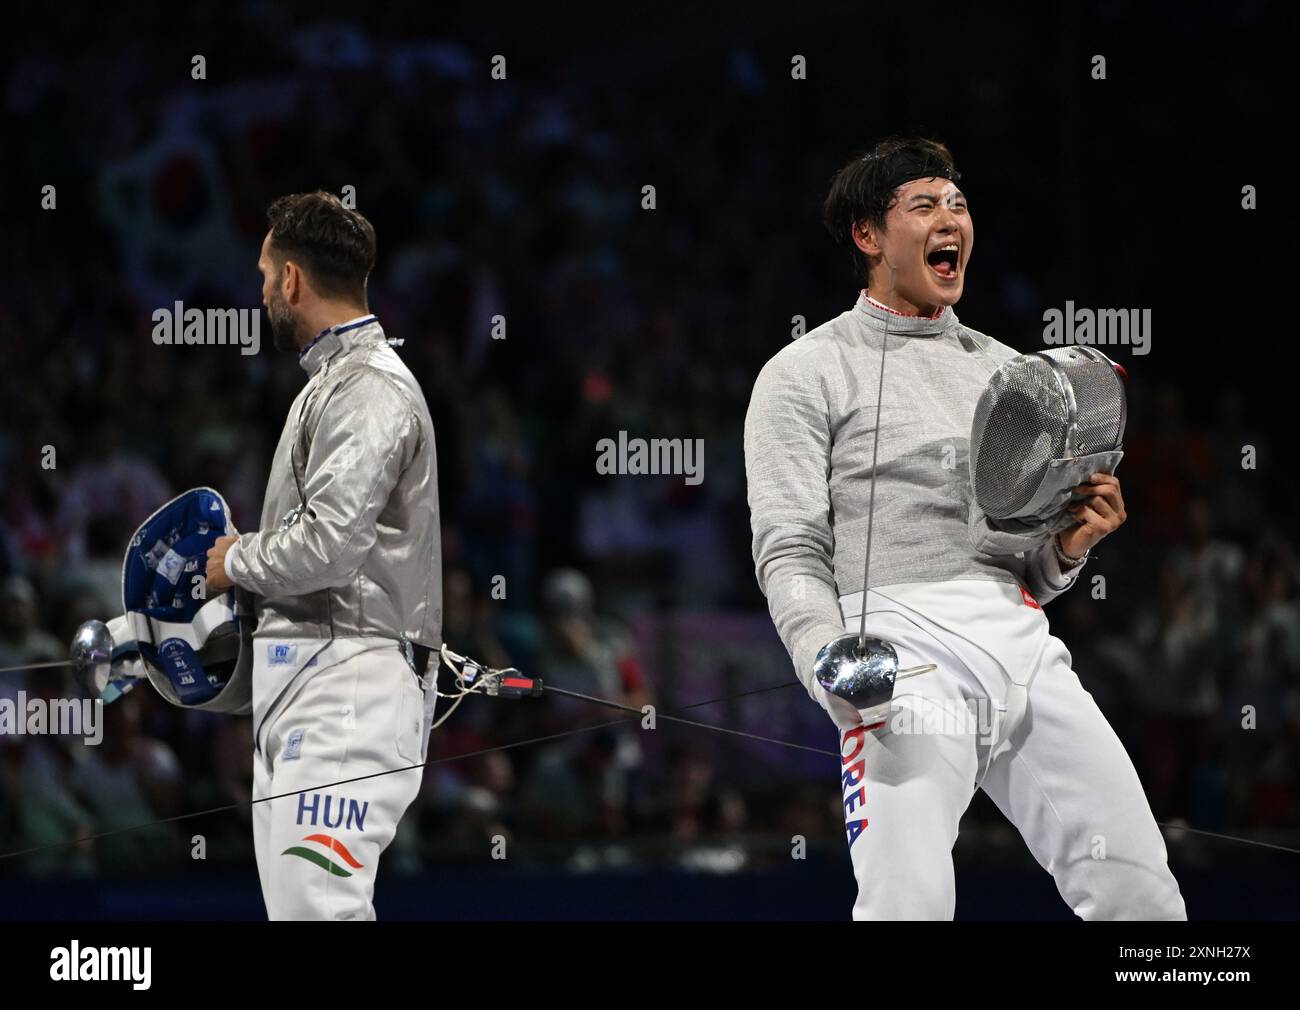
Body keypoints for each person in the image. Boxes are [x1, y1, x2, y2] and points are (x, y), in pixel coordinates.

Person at [743, 137, 1185, 921]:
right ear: (868, 236)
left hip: (1019, 642)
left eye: (958, 204)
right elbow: (790, 545)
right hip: (901, 656)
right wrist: (827, 659)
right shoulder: (806, 371)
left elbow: (1027, 565)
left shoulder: (1011, 374)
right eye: (924, 205)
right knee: (906, 906)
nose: (950, 219)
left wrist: (1069, 548)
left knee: (1141, 897)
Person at [205, 191, 441, 920]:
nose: (264, 290)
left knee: (319, 908)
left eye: (265, 274)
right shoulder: (332, 385)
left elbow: (332, 547)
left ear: (293, 282)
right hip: (311, 685)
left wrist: (235, 559)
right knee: (302, 911)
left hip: (350, 689)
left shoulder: (368, 388)